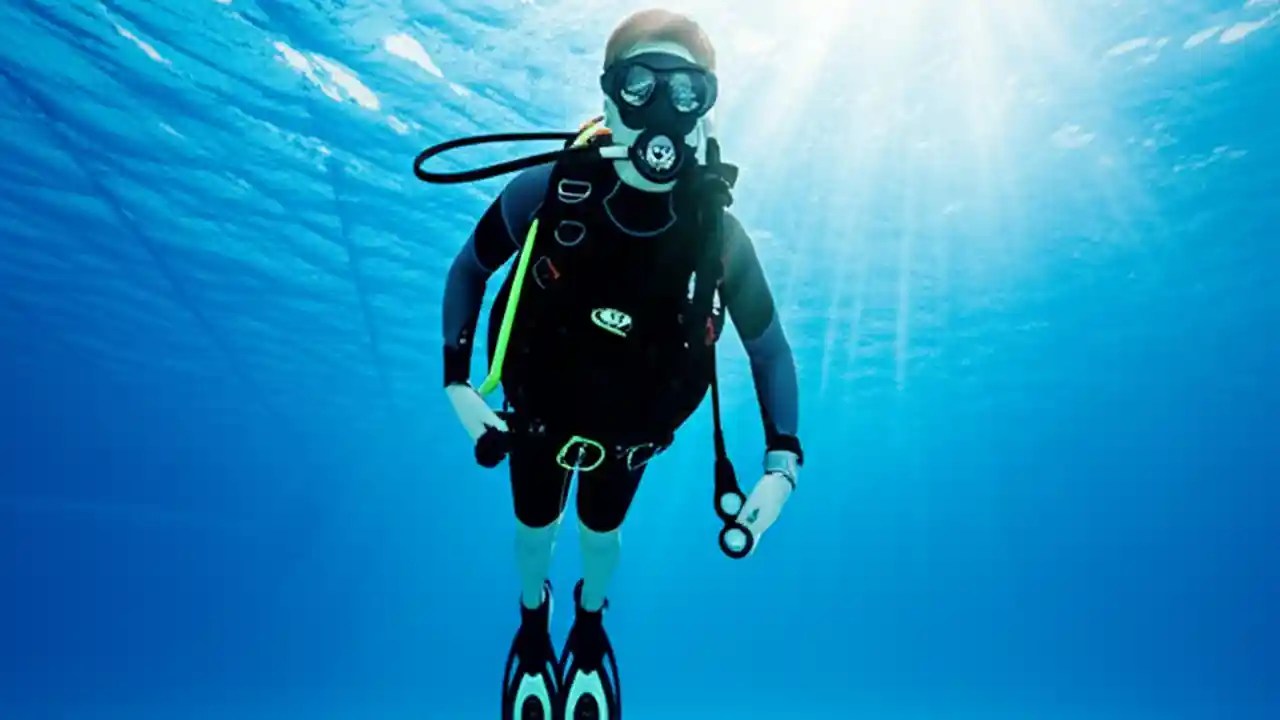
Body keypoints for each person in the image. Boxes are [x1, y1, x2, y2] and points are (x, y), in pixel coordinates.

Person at [433, 9, 803, 720]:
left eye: (686, 92)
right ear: (608, 98)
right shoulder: (546, 188)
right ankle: (534, 627)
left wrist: (783, 462)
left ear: (704, 109)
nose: (662, 109)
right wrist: (455, 380)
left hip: (630, 434)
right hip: (535, 418)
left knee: (601, 536)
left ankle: (590, 627)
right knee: (534, 531)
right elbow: (469, 270)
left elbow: (769, 347)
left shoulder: (717, 234)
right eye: (640, 83)